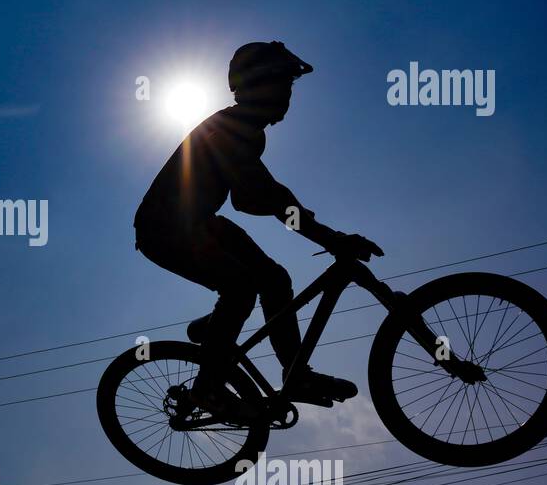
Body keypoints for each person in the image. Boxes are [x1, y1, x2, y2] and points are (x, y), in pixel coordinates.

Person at [133, 41, 383, 420]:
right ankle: (208, 388)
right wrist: (328, 237)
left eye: (289, 86)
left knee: (275, 279)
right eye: (283, 84)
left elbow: (254, 197)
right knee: (241, 287)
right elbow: (259, 196)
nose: (288, 95)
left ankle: (291, 372)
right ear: (259, 85)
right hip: (167, 228)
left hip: (200, 223)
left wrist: (316, 227)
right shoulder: (233, 128)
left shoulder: (246, 130)